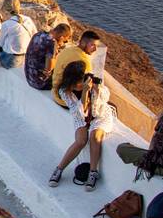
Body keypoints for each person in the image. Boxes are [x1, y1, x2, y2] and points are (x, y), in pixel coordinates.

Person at [46, 62, 116, 190]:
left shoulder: (92, 82)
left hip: (100, 115)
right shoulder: (64, 90)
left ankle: (93, 172)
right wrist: (84, 92)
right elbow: (80, 112)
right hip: (81, 117)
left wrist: (96, 89)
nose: (78, 86)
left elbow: (105, 98)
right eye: (76, 84)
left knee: (95, 137)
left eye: (80, 82)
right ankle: (59, 169)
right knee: (81, 140)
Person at [50, 29, 102, 108]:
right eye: (92, 45)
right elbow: (86, 85)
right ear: (83, 43)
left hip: (55, 90)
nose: (95, 49)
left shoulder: (68, 50)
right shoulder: (84, 61)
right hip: (64, 99)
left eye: (96, 46)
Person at [25, 22, 71, 91]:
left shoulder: (38, 34)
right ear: (61, 38)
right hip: (39, 82)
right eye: (65, 41)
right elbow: (49, 68)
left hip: (29, 75)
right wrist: (57, 53)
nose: (64, 43)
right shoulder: (52, 43)